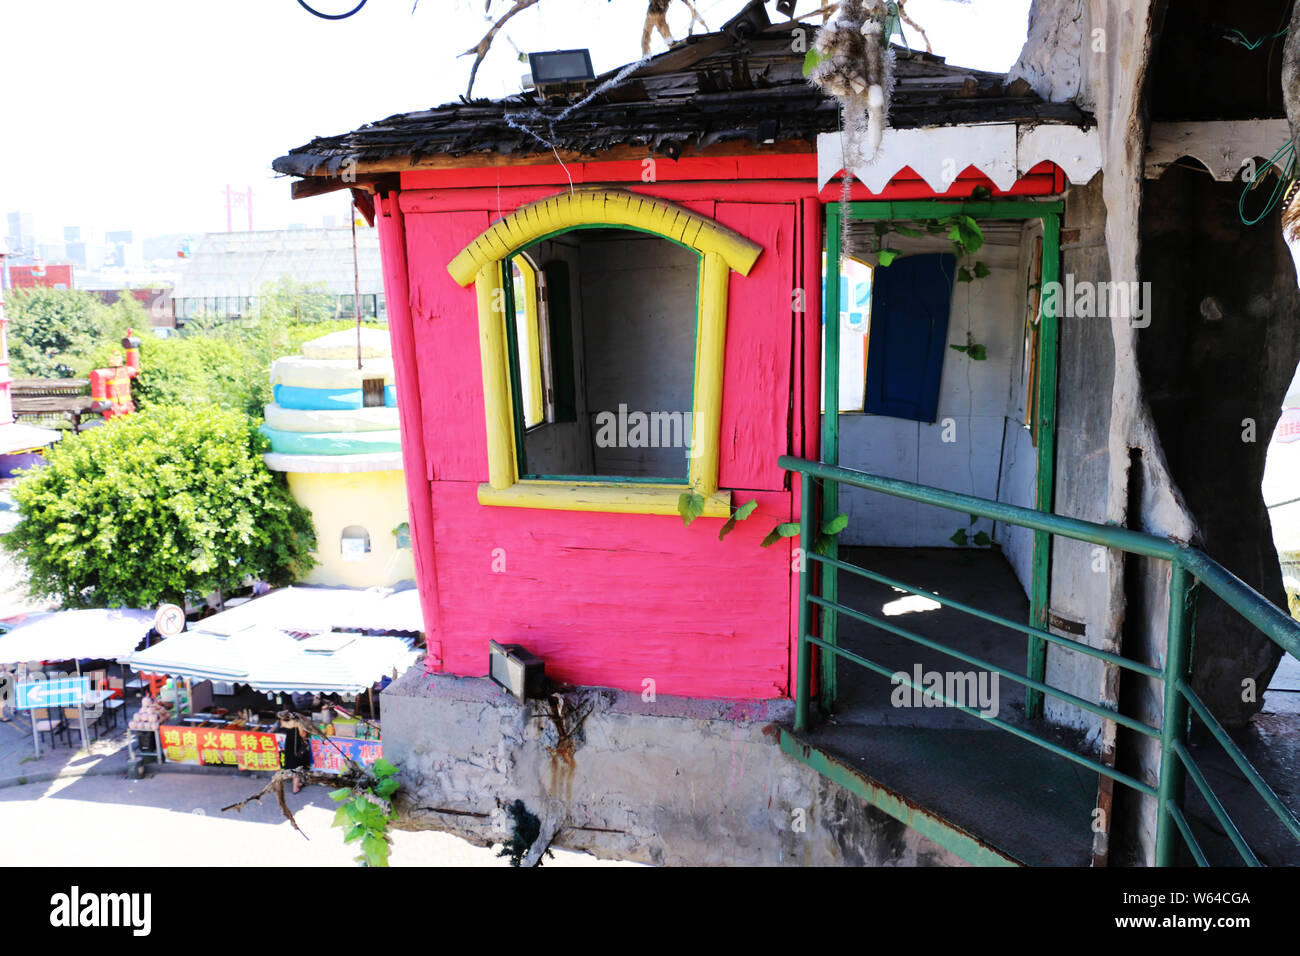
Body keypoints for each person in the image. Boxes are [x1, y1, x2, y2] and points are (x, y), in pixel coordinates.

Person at [278, 714, 312, 793]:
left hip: (287, 745)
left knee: (290, 764)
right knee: (297, 766)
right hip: (296, 746)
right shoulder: (297, 722)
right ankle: (295, 788)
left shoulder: (282, 720)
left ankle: (297, 783)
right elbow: (302, 734)